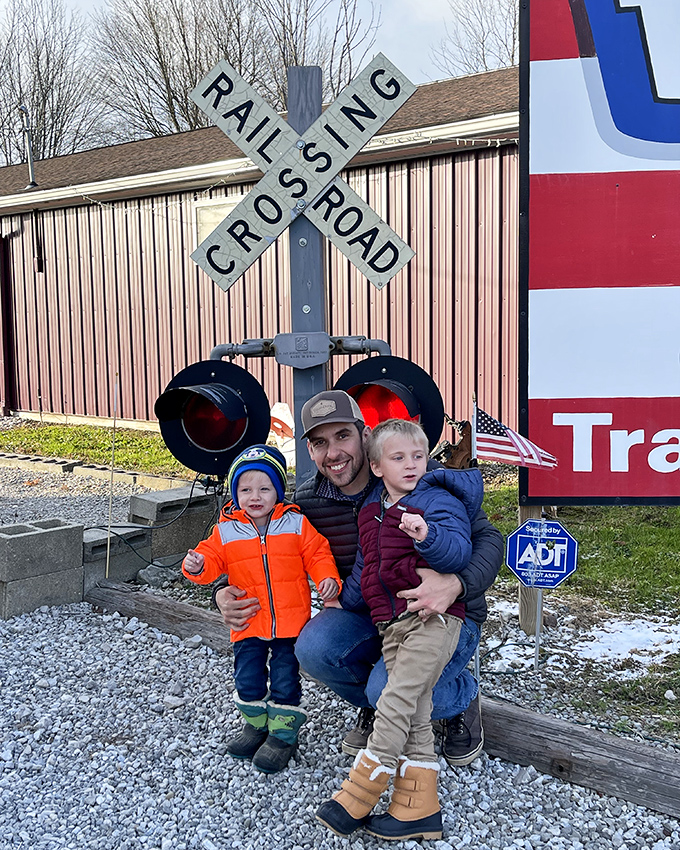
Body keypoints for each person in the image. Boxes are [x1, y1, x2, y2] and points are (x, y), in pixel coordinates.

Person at [213, 390, 504, 768]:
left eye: (342, 436)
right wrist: (221, 591)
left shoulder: (414, 473)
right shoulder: (307, 502)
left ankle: (460, 696)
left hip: (442, 614)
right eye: (320, 443)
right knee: (313, 645)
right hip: (370, 613)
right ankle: (376, 703)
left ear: (364, 435)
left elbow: (490, 539)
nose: (332, 452)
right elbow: (247, 539)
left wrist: (455, 585)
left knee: (387, 689)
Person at [316, 419, 484, 840]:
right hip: (391, 625)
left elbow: (460, 549)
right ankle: (418, 807)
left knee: (397, 697)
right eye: (399, 458)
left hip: (435, 617)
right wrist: (341, 599)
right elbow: (365, 571)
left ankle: (361, 789)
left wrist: (427, 537)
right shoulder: (374, 510)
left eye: (418, 457)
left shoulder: (435, 500)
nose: (411, 465)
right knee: (417, 713)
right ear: (378, 467)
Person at [183, 444, 341, 774]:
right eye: (246, 489)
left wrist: (326, 578)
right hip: (249, 621)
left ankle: (283, 735)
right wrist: (197, 565)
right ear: (235, 492)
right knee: (247, 677)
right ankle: (255, 725)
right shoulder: (226, 529)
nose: (255, 496)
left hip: (290, 621)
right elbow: (210, 561)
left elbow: (318, 554)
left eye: (264, 488)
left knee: (285, 679)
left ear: (278, 492)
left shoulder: (295, 524)